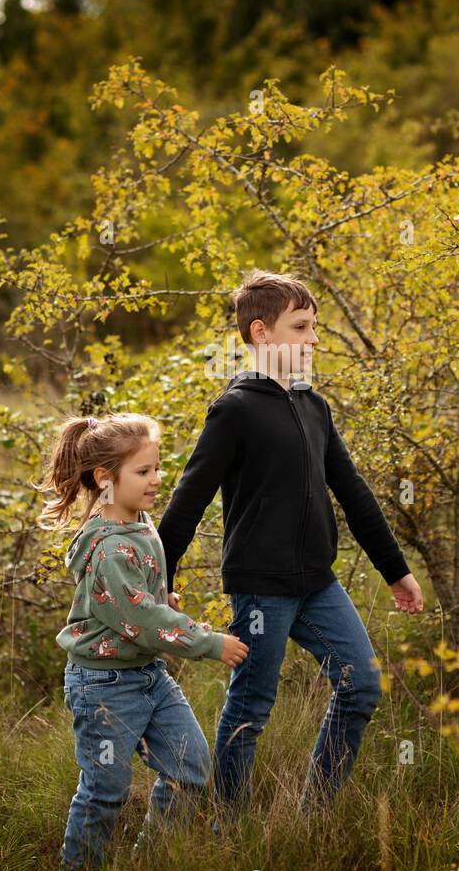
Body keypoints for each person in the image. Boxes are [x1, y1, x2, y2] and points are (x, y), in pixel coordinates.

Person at [157, 270, 424, 830]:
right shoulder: (234, 410)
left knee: (361, 687)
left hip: (318, 584)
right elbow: (188, 501)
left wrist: (395, 572)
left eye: (315, 327)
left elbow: (352, 491)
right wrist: (157, 582)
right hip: (261, 588)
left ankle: (314, 814)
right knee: (250, 711)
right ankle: (227, 827)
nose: (313, 339)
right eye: (301, 327)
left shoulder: (313, 407)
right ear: (261, 331)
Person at [35, 411, 247, 871]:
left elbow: (140, 599)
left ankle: (149, 864)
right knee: (106, 788)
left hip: (149, 676)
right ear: (105, 479)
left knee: (190, 768)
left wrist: (159, 595)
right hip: (104, 684)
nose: (156, 480)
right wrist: (208, 642)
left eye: (157, 468)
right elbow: (139, 619)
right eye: (144, 471)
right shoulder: (109, 547)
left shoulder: (141, 523)